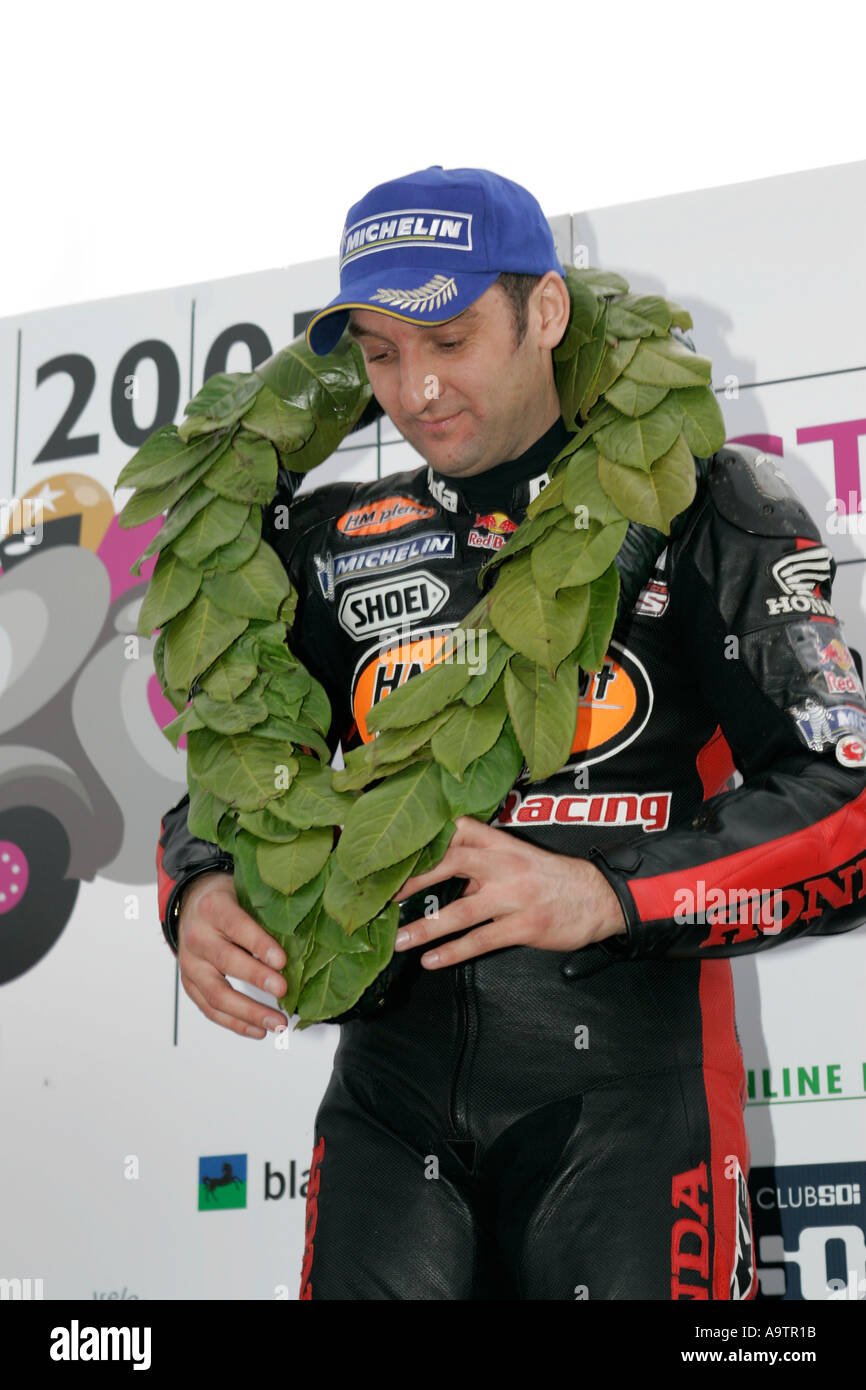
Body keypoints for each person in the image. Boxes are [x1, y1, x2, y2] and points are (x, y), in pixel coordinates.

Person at [156, 165, 866, 1300]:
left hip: (630, 1113)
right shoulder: (328, 543)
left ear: (543, 312)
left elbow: (846, 801)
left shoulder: (699, 509)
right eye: (381, 354)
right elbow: (235, 781)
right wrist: (197, 888)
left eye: (447, 337)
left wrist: (609, 896)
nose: (416, 388)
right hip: (386, 1112)